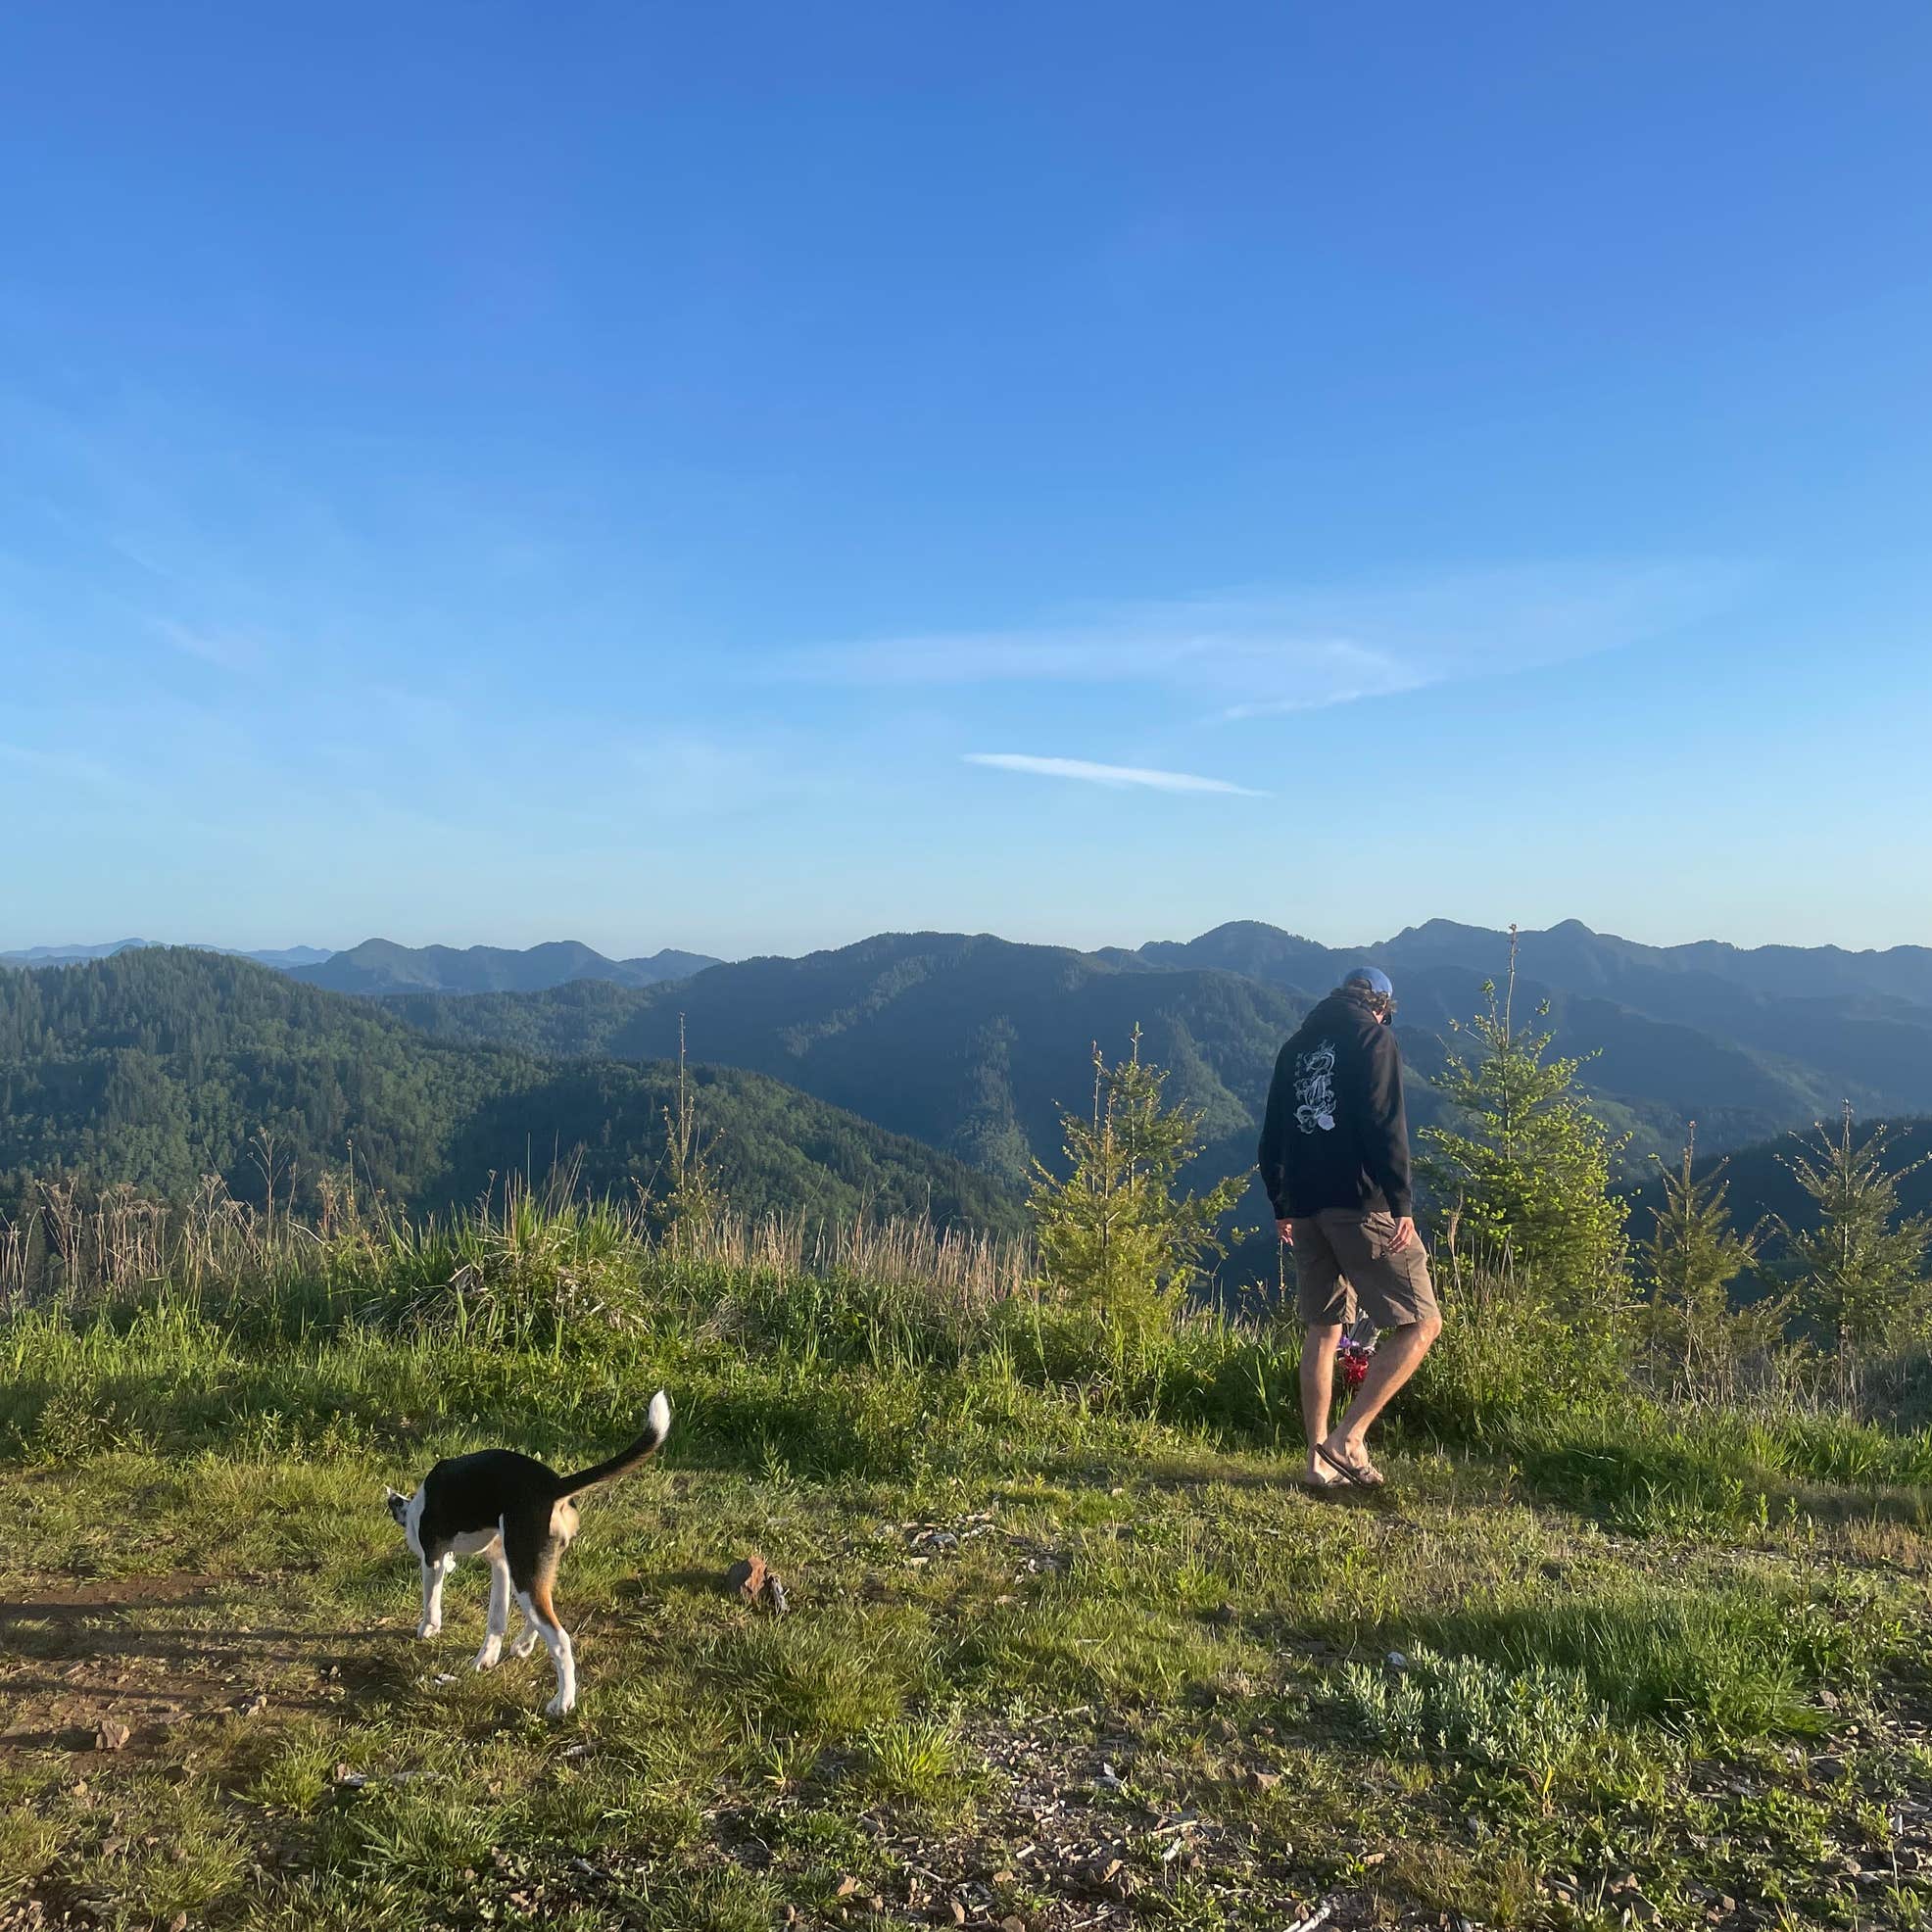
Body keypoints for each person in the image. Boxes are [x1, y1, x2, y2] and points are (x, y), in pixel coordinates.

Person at [1257, 965, 1441, 1487]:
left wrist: (1281, 1202)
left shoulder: (1296, 1048)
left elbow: (1272, 1134)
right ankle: (1349, 1439)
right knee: (1421, 1322)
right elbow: (1386, 1123)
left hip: (1304, 1207)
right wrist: (1401, 1202)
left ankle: (1317, 1463)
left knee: (1324, 1329)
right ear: (1381, 1006)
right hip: (1361, 1204)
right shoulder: (1373, 1039)